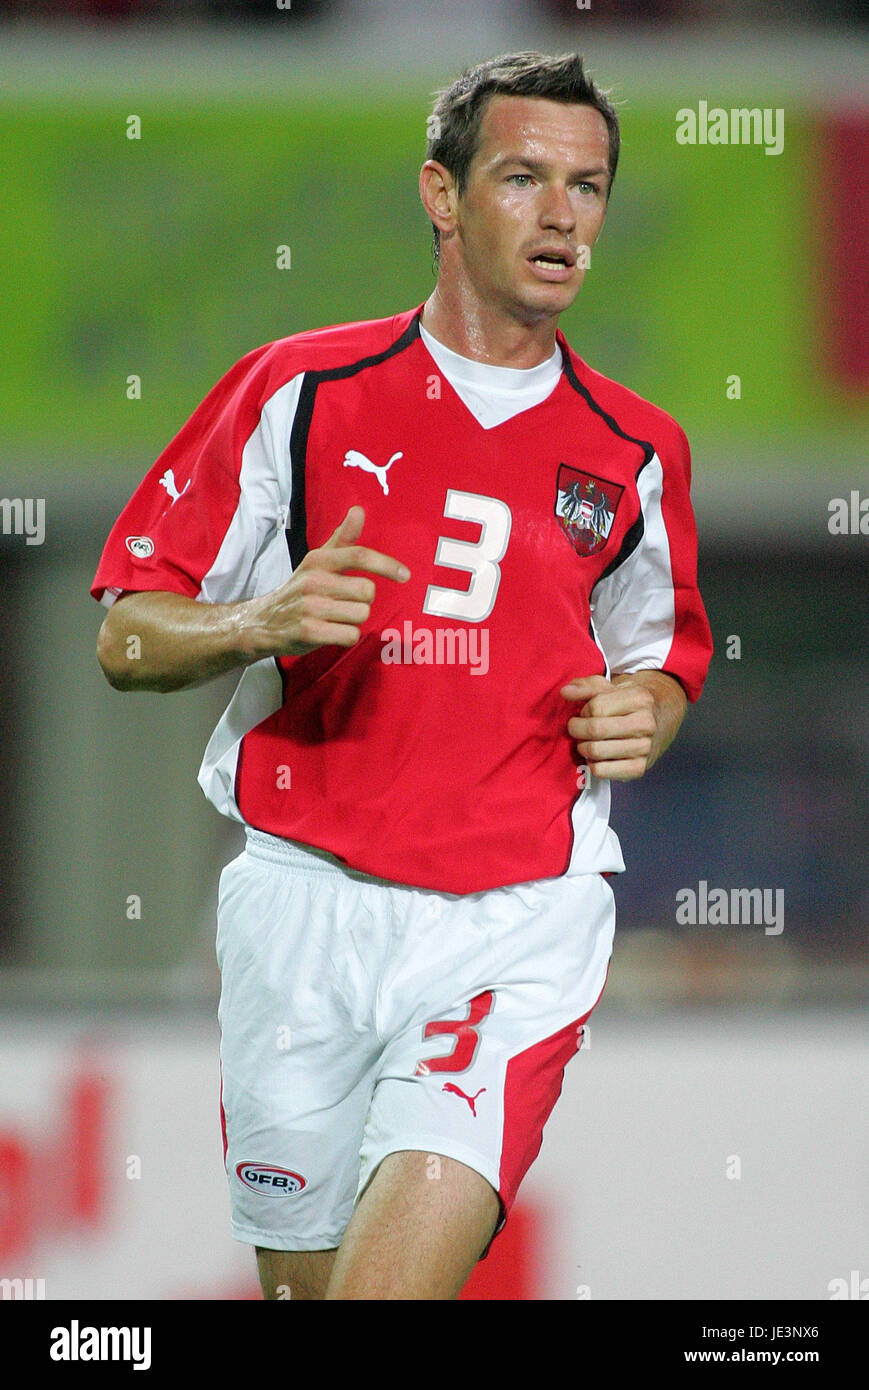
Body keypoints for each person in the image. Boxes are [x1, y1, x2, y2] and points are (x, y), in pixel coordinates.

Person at [91, 51, 713, 1301]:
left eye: (586, 187)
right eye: (523, 177)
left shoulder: (636, 450)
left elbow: (662, 654)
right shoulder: (298, 392)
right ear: (440, 193)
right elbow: (125, 637)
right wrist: (253, 622)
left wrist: (648, 710)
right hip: (299, 909)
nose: (560, 216)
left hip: (511, 920)